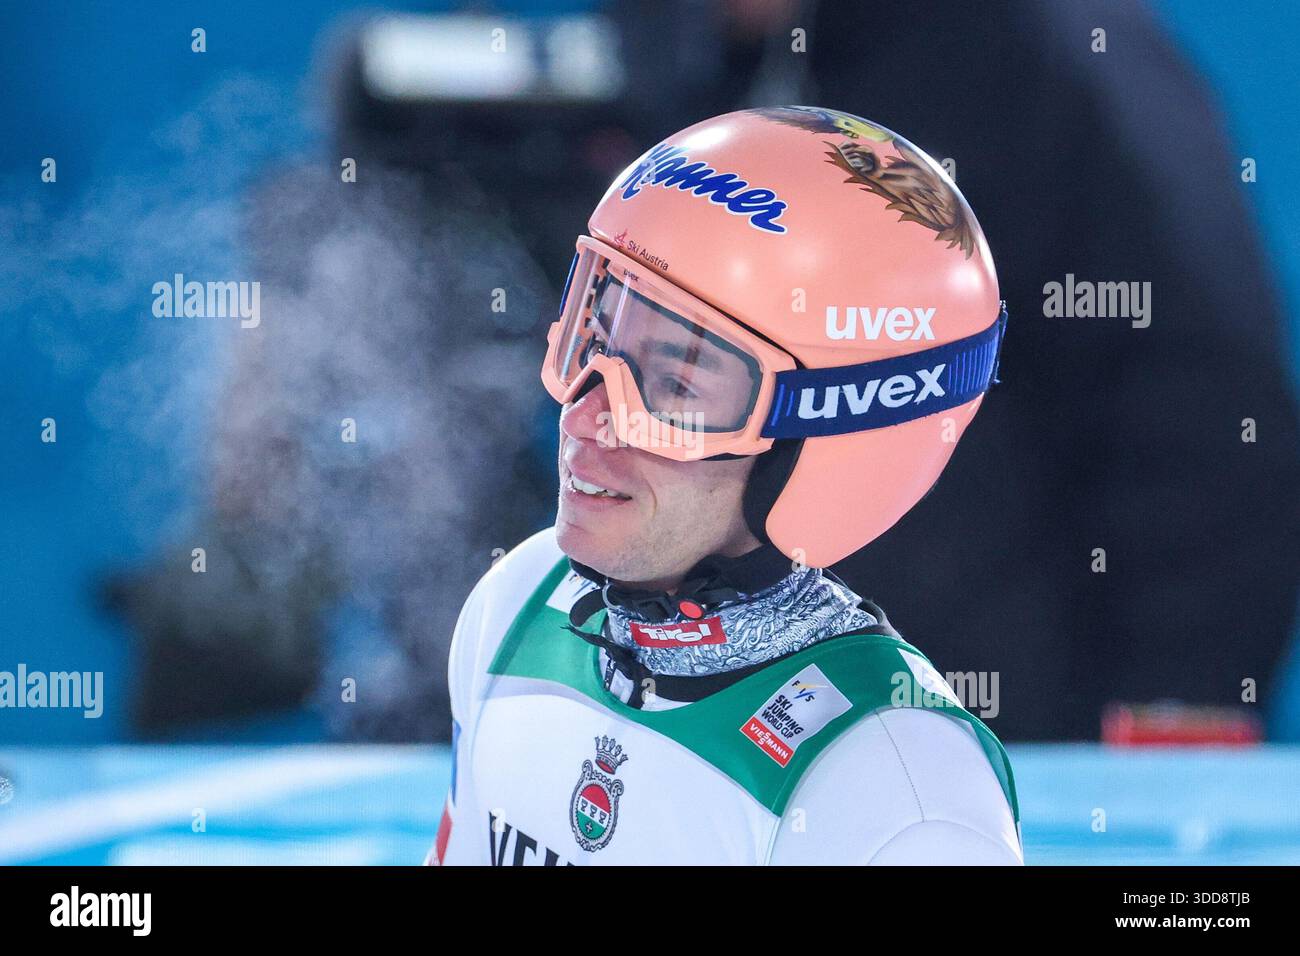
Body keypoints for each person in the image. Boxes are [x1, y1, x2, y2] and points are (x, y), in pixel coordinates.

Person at [427, 107, 1022, 865]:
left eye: (671, 383)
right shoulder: (515, 603)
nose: (586, 415)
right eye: (597, 339)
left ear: (830, 439)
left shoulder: (897, 795)